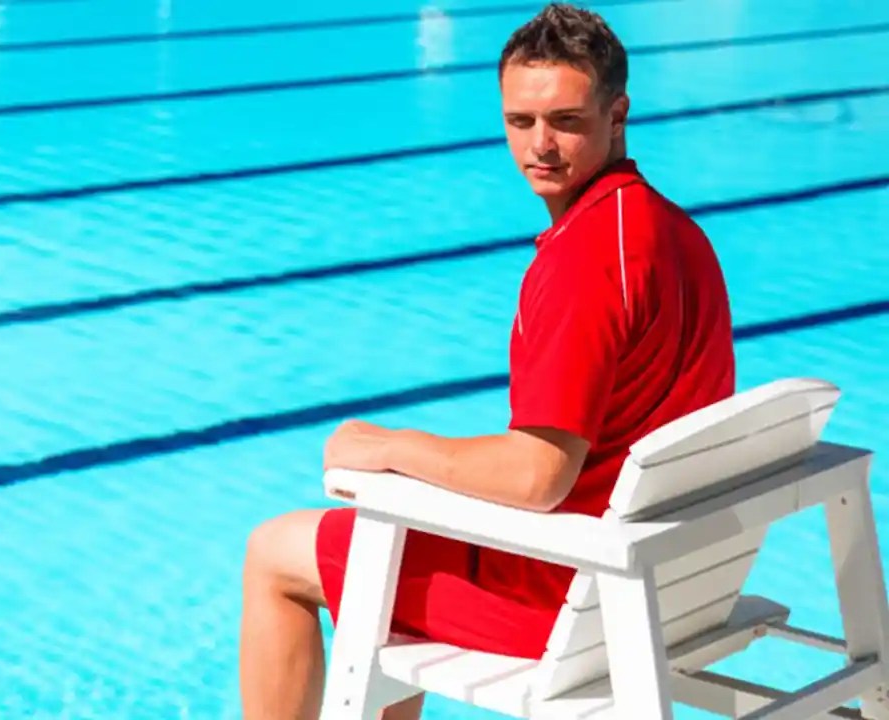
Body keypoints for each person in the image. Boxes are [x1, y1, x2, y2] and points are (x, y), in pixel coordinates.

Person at [238, 3, 738, 719]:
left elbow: (539, 477)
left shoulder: (584, 260)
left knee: (277, 554)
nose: (541, 145)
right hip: (669, 581)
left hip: (574, 598)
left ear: (617, 114)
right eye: (520, 122)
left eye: (566, 121)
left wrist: (389, 448)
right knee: (386, 548)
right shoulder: (672, 230)